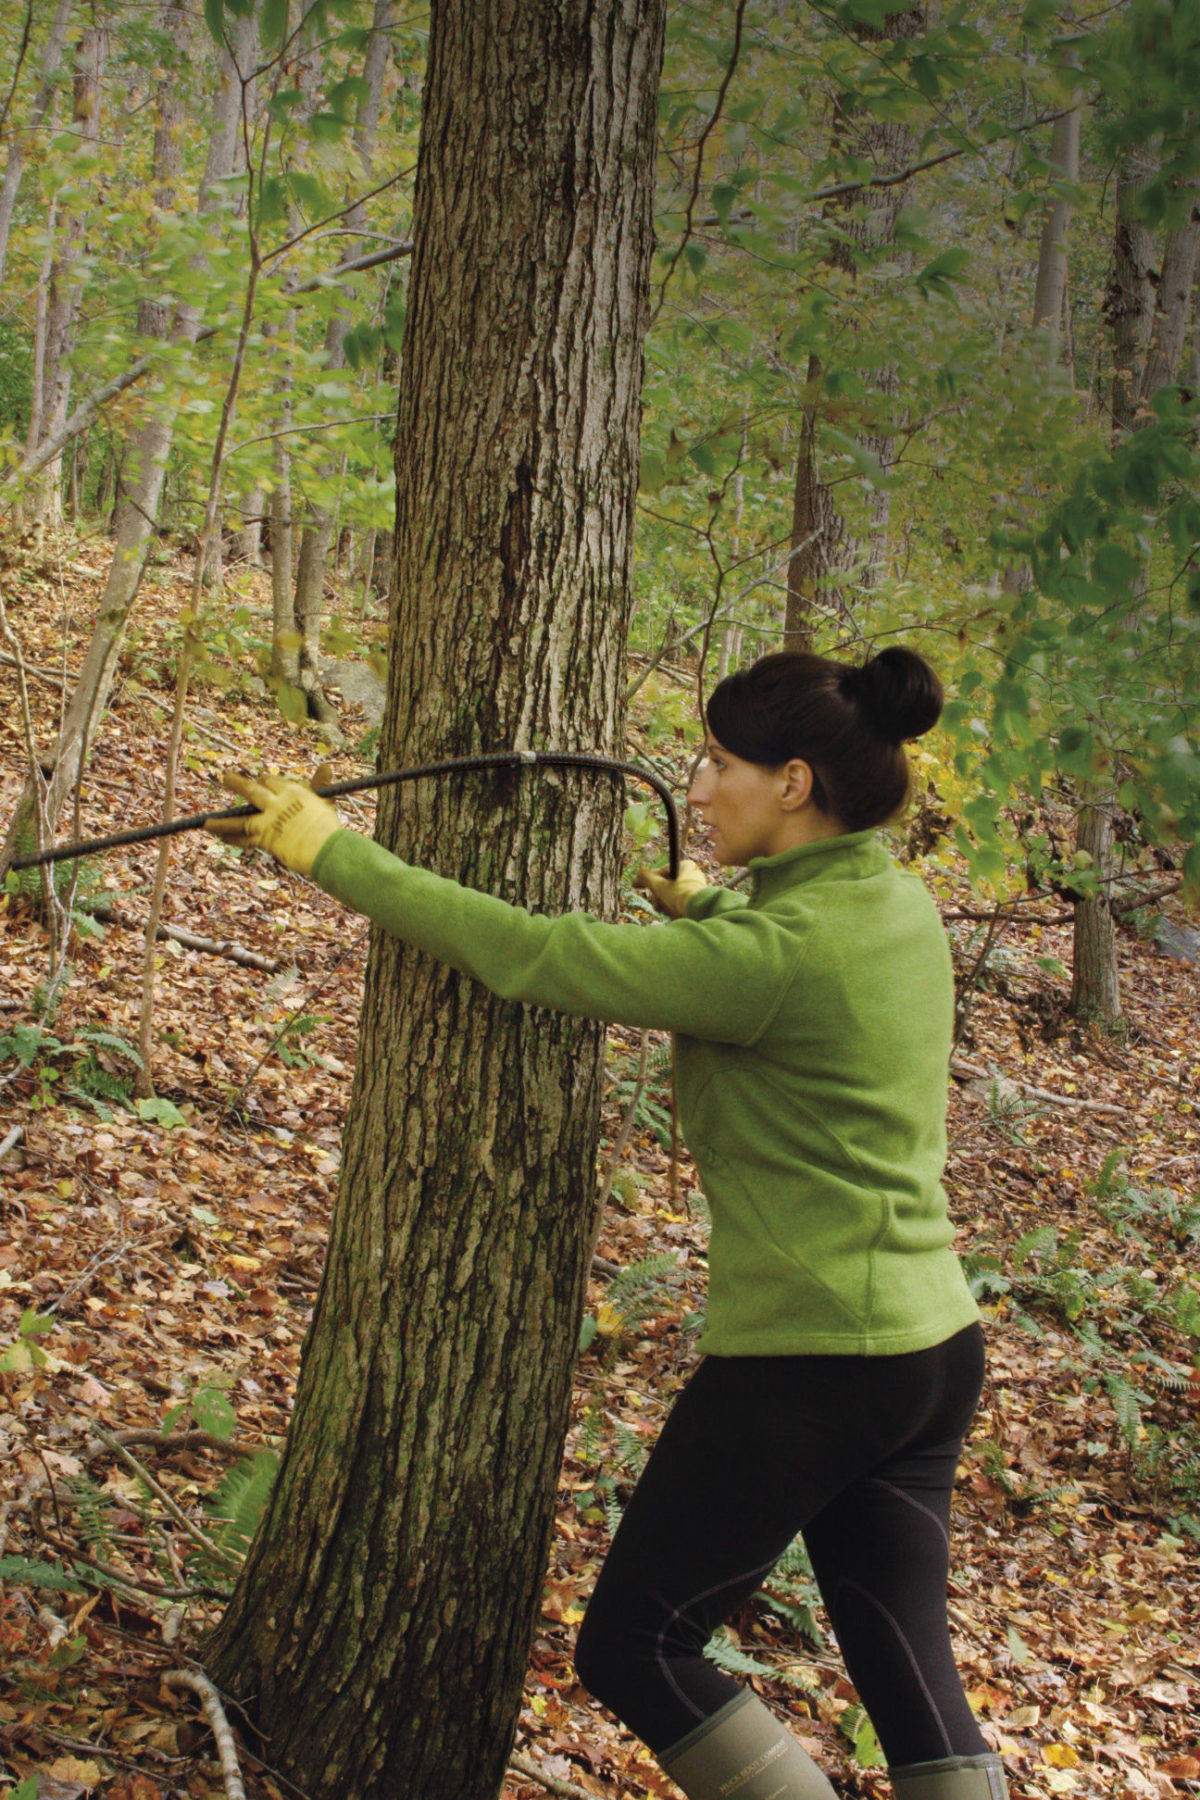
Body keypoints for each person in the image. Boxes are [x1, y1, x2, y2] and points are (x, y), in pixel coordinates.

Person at [208, 647, 1006, 1800]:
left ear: (791, 783)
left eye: (720, 762)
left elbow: (534, 956)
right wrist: (716, 907)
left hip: (817, 1360)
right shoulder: (891, 901)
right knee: (913, 1680)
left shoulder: (766, 956)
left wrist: (335, 853)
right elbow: (795, 965)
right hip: (929, 1352)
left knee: (636, 1645)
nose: (698, 785)